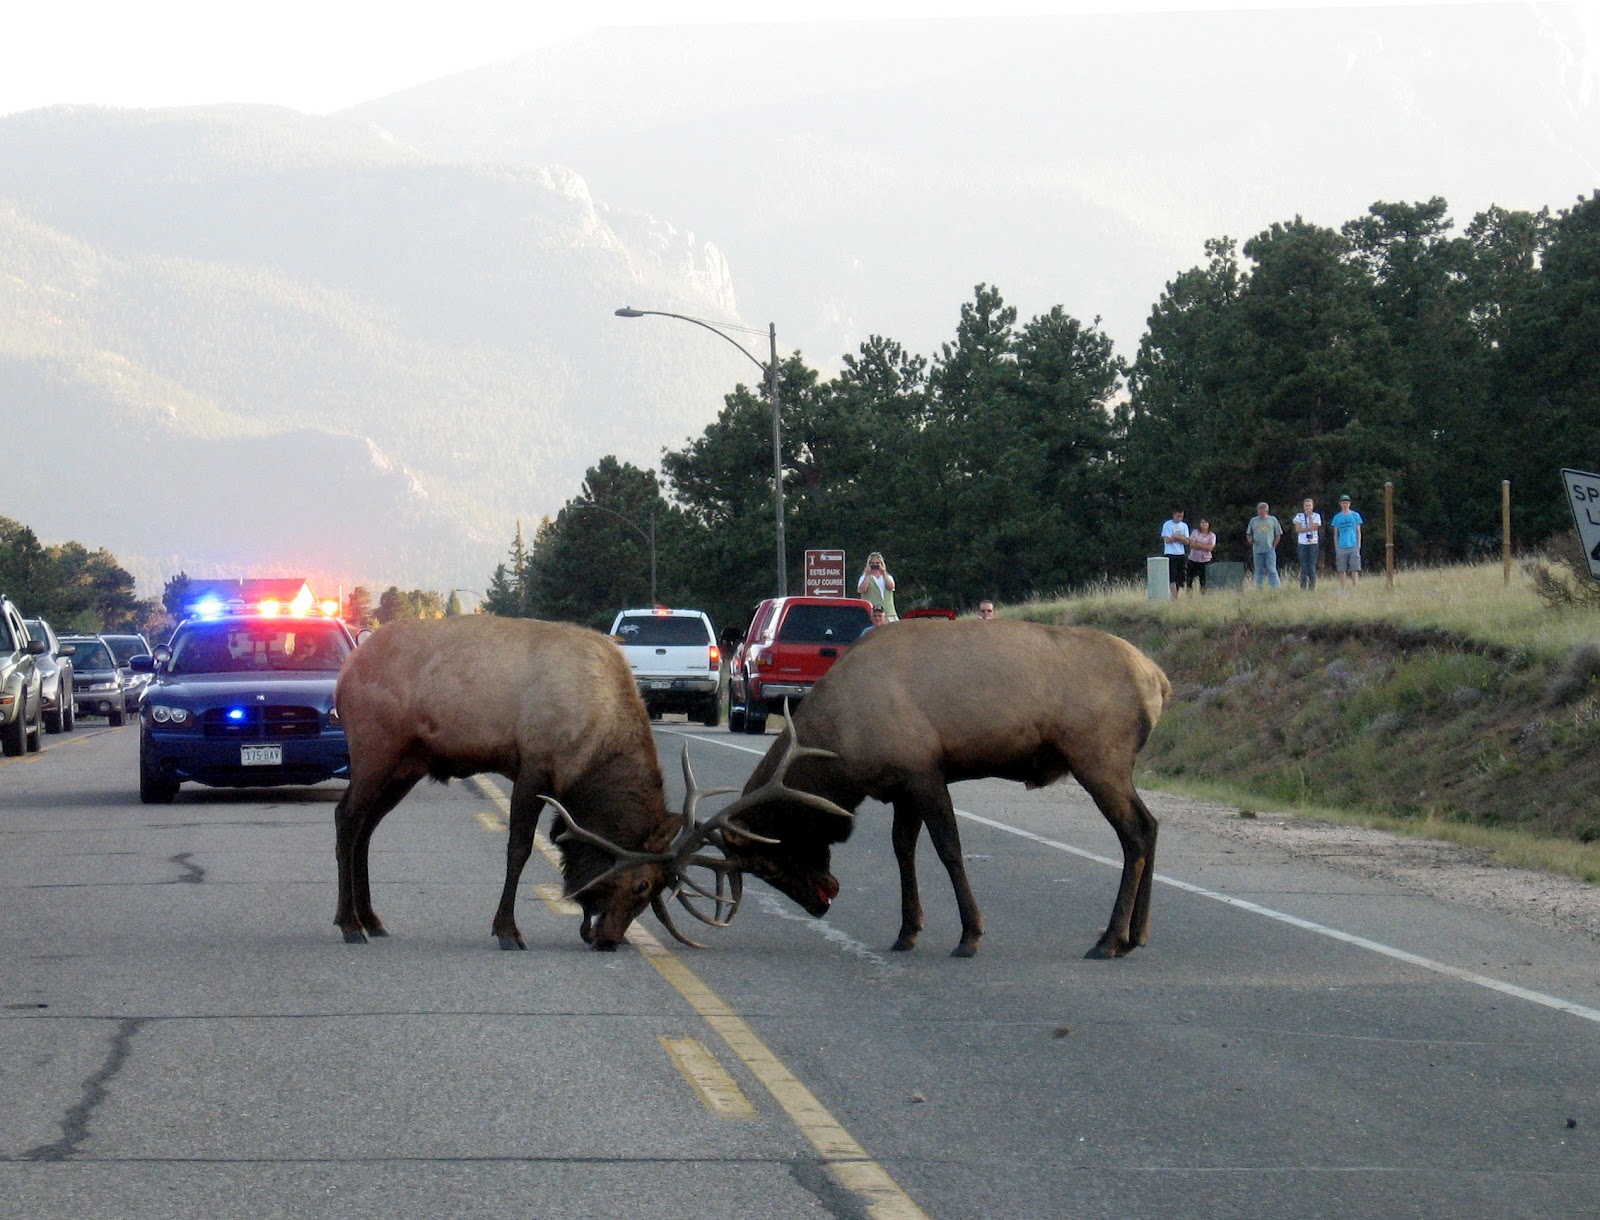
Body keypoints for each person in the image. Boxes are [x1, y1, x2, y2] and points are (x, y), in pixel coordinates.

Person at [1330, 493, 1364, 591]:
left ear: (1349, 504)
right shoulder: (1337, 517)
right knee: (1342, 569)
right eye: (1343, 503)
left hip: (1353, 545)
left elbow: (1358, 531)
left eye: (1347, 502)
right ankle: (1343, 588)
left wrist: (1358, 544)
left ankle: (1355, 587)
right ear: (1340, 504)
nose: (1345, 504)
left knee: (1354, 568)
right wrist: (1336, 546)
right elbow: (1336, 533)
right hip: (1341, 545)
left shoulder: (1355, 515)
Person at [1246, 502, 1283, 588]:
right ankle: (1259, 588)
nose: (1261, 513)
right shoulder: (1253, 521)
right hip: (1257, 550)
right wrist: (1250, 540)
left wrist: (1274, 545)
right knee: (1259, 570)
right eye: (1259, 511)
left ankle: (1275, 588)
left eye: (1263, 511)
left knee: (1271, 569)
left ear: (1267, 511)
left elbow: (1278, 534)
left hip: (1269, 549)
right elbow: (1248, 533)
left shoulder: (1273, 520)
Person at [1292, 497, 1322, 591]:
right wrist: (1309, 528)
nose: (1308, 507)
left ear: (1312, 506)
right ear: (1303, 507)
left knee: (1312, 565)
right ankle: (1303, 586)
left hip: (1313, 543)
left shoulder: (1316, 516)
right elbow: (1298, 529)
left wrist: (1310, 519)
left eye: (1309, 505)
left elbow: (1315, 527)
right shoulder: (1299, 516)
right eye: (1306, 505)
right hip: (1302, 544)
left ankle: (1312, 586)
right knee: (1303, 566)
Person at [857, 552, 897, 620]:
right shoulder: (863, 578)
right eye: (872, 564)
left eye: (877, 563)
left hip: (889, 612)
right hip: (872, 614)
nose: (875, 565)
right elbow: (862, 590)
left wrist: (884, 573)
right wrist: (867, 575)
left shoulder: (888, 577)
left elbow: (891, 587)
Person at [1159, 509, 1190, 599]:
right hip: (1170, 553)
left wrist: (1176, 537)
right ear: (1173, 515)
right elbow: (1167, 540)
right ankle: (1174, 596)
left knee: (1180, 577)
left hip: (1180, 553)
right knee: (1172, 575)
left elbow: (1187, 541)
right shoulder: (1167, 525)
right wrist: (1179, 538)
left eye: (1181, 516)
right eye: (1178, 516)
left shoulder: (1184, 526)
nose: (1179, 518)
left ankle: (1176, 594)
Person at [1185, 518, 1217, 594]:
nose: (1204, 524)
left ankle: (1203, 596)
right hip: (1193, 559)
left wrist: (1199, 544)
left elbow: (1210, 548)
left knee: (1204, 581)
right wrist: (1204, 546)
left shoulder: (1212, 535)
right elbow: (1192, 545)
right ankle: (1189, 597)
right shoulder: (1195, 532)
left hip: (1205, 561)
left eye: (1206, 522)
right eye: (1202, 522)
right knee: (1189, 580)